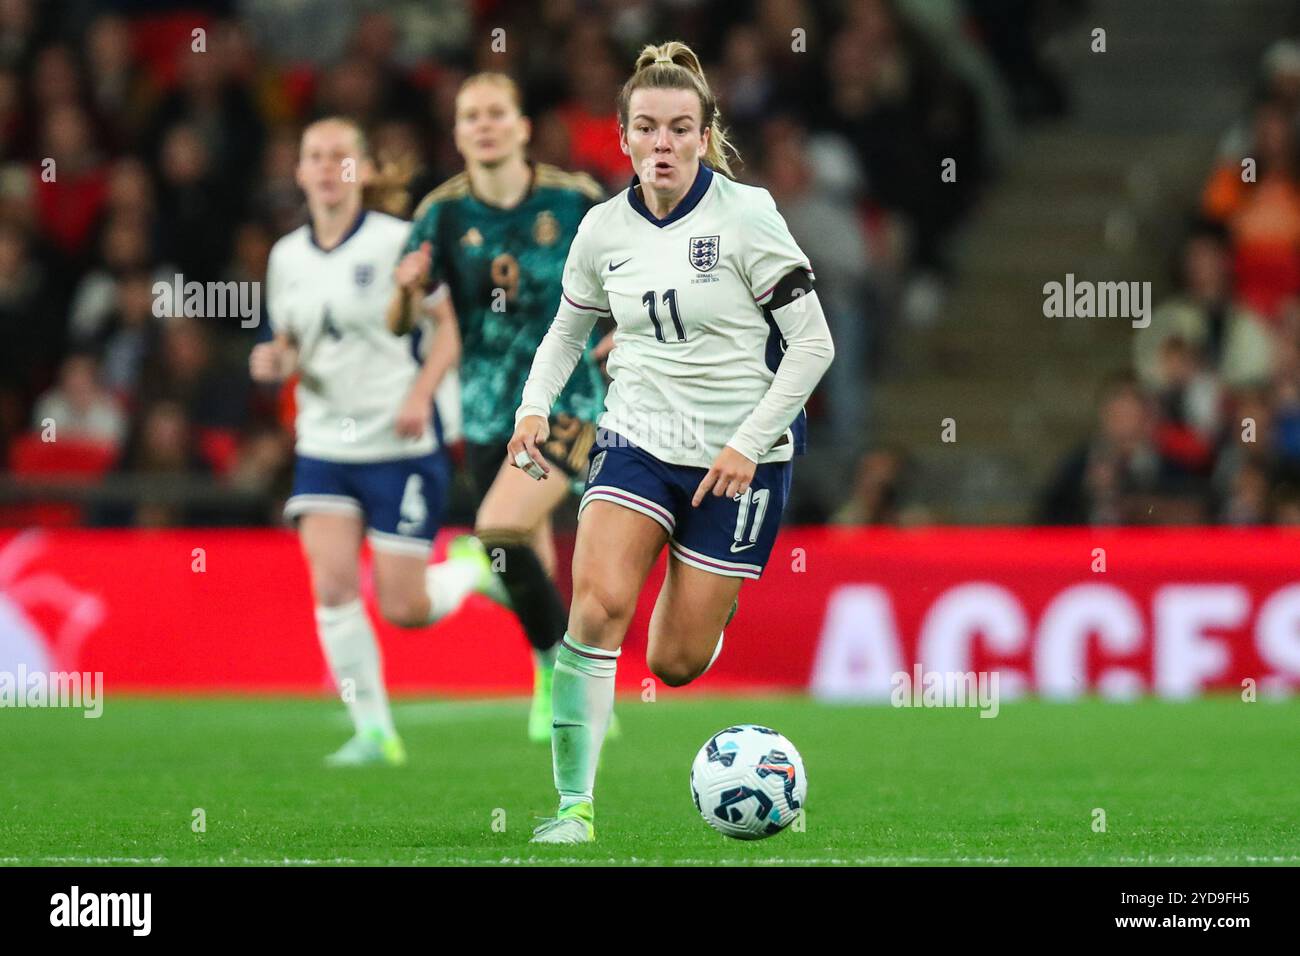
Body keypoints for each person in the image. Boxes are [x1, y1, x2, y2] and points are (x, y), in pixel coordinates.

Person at [507, 41, 835, 843]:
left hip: (742, 460)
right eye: (647, 127)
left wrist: (748, 443)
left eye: (679, 128)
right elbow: (564, 332)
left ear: (702, 135)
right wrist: (533, 407)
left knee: (675, 662)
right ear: (621, 137)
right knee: (596, 606)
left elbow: (814, 345)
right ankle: (574, 808)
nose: (662, 143)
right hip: (639, 439)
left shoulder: (746, 215)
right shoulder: (601, 230)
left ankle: (703, 600)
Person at [250, 117, 498, 768]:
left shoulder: (398, 242)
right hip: (326, 443)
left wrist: (421, 395)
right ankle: (373, 731)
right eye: (315, 156)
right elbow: (293, 344)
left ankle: (468, 569)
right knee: (331, 588)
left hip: (401, 442)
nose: (328, 168)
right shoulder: (285, 259)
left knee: (404, 608)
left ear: (360, 170)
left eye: (340, 156)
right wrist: (275, 360)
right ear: (299, 172)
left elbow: (450, 329)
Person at [388, 72, 610, 742]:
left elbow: (636, 268)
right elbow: (402, 322)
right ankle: (563, 683)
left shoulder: (575, 201)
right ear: (457, 135)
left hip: (568, 405)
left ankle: (562, 674)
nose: (483, 125)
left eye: (495, 113)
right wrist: (404, 293)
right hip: (487, 417)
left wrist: (628, 328)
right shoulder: (441, 214)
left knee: (499, 532)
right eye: (469, 116)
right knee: (522, 561)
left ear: (521, 127)